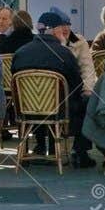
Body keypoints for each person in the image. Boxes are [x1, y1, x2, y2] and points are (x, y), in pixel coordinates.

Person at [10, 10, 95, 168]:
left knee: (38, 100)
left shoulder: (21, 52)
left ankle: (39, 145)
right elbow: (76, 84)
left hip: (27, 109)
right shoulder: (64, 53)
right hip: (59, 109)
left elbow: (14, 81)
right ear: (56, 31)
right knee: (85, 102)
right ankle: (81, 152)